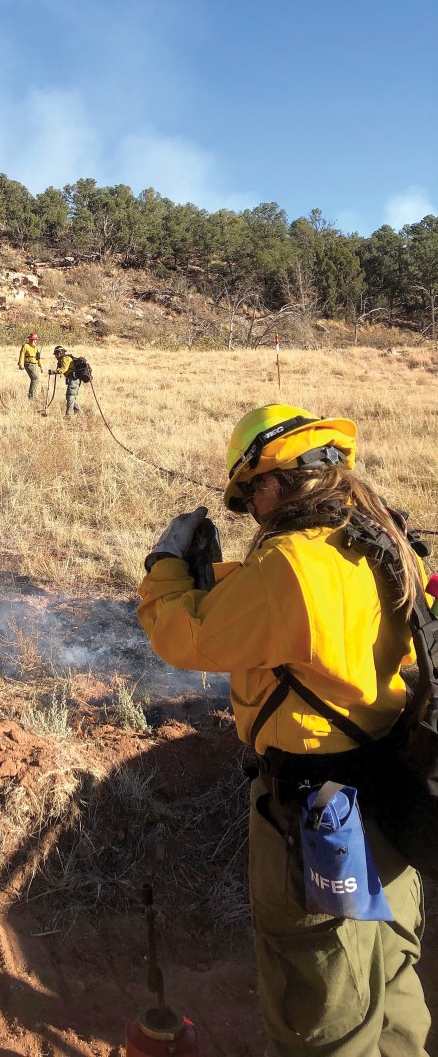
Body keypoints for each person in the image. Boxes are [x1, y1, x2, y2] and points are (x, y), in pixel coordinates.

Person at [137, 403, 431, 1056]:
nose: (253, 513)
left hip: (322, 814)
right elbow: (301, 618)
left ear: (275, 481)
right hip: (393, 796)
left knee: (320, 995)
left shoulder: (293, 567)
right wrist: (210, 576)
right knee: (388, 978)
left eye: (250, 497)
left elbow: (185, 635)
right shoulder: (386, 540)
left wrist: (165, 565)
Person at [49, 346, 80, 417]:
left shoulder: (65, 358)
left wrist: (55, 372)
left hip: (74, 378)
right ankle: (77, 410)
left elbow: (64, 369)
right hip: (72, 378)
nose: (55, 356)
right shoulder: (63, 359)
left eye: (56, 353)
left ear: (60, 353)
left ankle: (68, 415)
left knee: (70, 395)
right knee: (69, 395)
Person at [17, 332, 42, 400]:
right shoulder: (25, 346)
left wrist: (40, 365)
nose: (33, 341)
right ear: (29, 340)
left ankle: (33, 394)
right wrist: (20, 364)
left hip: (35, 364)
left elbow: (38, 357)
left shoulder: (36, 348)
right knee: (35, 378)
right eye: (31, 339)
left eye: (34, 339)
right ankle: (31, 396)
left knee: (38, 379)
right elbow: (22, 355)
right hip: (28, 364)